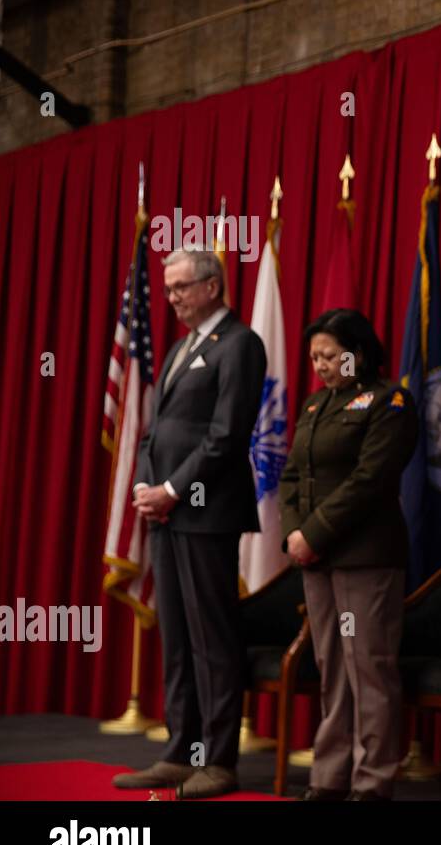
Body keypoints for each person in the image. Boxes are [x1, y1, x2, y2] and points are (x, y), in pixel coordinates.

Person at [114, 246, 267, 799]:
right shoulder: (182, 347)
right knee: (176, 637)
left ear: (212, 286)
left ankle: (218, 760)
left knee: (212, 639)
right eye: (169, 287)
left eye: (180, 287)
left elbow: (227, 435)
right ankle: (182, 752)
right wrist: (142, 487)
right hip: (164, 514)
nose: (172, 296)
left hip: (205, 512)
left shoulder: (241, 344)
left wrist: (173, 489)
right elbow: (155, 431)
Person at [278, 309, 417, 801]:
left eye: (330, 355)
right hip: (317, 560)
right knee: (331, 666)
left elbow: (370, 480)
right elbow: (292, 476)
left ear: (356, 353)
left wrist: (312, 534)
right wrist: (294, 533)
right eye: (314, 355)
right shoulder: (317, 406)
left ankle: (373, 780)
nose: (319, 364)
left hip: (365, 558)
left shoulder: (389, 402)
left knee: (368, 666)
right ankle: (330, 775)